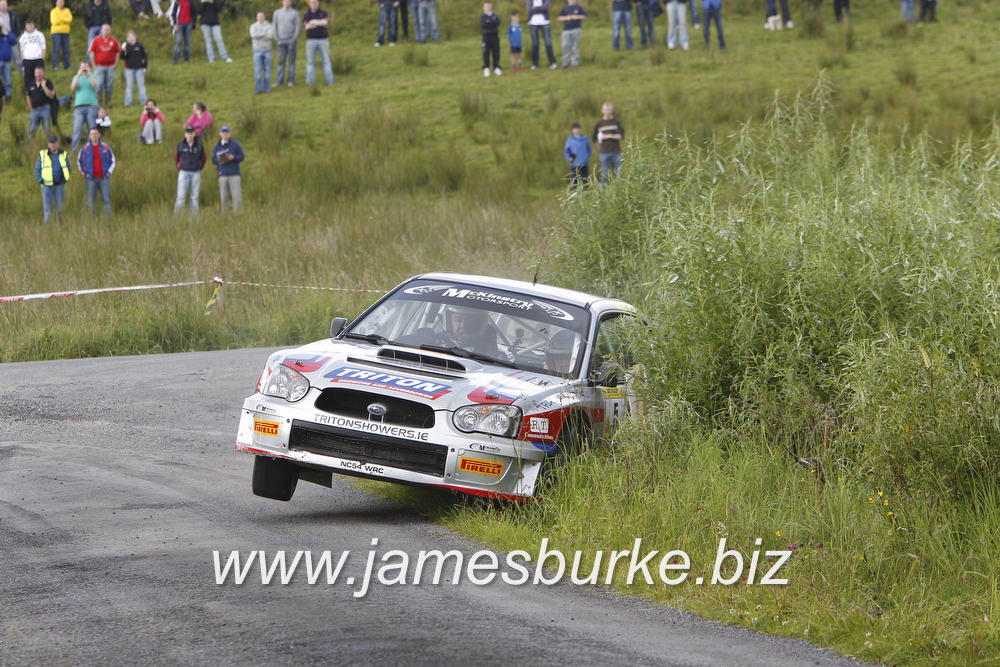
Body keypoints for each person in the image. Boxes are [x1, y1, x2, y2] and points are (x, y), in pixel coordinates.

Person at [77, 126, 114, 219]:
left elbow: (112, 160)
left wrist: (109, 172)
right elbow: (79, 162)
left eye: (96, 134)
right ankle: (91, 222)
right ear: (89, 136)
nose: (94, 136)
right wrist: (85, 173)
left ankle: (108, 222)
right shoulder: (85, 149)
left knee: (106, 201)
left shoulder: (105, 147)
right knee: (90, 202)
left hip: (104, 178)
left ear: (99, 135)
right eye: (92, 134)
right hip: (91, 179)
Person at [36, 135, 71, 224]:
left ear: (58, 143)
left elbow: (68, 168)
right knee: (47, 209)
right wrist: (40, 180)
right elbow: (37, 169)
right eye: (51, 143)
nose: (53, 145)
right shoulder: (43, 155)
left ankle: (61, 227)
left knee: (60, 209)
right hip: (47, 186)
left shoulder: (63, 154)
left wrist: (65, 180)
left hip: (59, 185)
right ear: (48, 144)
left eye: (54, 143)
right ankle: (47, 228)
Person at [211, 125, 245, 214]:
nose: (225, 134)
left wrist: (233, 157)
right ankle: (225, 217)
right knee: (223, 196)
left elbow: (242, 157)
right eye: (223, 132)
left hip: (234, 174)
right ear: (220, 134)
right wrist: (220, 159)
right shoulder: (217, 146)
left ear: (229, 134)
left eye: (227, 133)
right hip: (222, 174)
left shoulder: (235, 144)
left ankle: (238, 215)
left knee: (236, 196)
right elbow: (213, 160)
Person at [174, 125, 206, 214]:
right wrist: (180, 166)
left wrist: (199, 166)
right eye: (188, 133)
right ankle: (178, 218)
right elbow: (176, 157)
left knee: (194, 197)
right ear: (185, 134)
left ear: (194, 134)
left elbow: (203, 158)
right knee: (181, 196)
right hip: (183, 172)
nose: (189, 135)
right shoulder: (180, 145)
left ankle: (194, 219)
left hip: (196, 173)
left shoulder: (199, 146)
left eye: (191, 133)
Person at [70, 60, 99, 152]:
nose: (84, 69)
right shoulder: (76, 77)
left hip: (91, 107)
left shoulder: (94, 76)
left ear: (89, 67)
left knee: (92, 130)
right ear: (80, 68)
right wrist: (78, 75)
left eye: (86, 67)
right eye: (82, 67)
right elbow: (73, 88)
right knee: (77, 130)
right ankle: (73, 151)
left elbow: (96, 87)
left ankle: (91, 150)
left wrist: (90, 75)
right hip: (79, 108)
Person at [89, 24, 120, 108]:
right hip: (99, 67)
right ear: (101, 31)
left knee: (109, 84)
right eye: (104, 29)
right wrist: (94, 65)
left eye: (107, 29)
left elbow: (117, 53)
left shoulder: (114, 41)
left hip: (110, 67)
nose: (106, 31)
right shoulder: (96, 40)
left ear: (110, 30)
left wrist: (116, 64)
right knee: (99, 84)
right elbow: (92, 53)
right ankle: (99, 103)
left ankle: (108, 102)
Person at [303, 0, 334, 85]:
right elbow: (307, 27)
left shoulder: (323, 13)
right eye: (312, 2)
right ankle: (310, 82)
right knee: (310, 62)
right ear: (309, 4)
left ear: (318, 3)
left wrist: (312, 22)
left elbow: (325, 22)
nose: (314, 4)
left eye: (315, 2)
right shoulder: (306, 15)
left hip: (323, 40)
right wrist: (319, 23)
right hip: (310, 41)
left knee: (326, 61)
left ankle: (330, 81)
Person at [592, 102, 623, 184]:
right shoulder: (599, 124)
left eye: (609, 110)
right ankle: (604, 193)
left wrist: (609, 136)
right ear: (602, 111)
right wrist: (600, 149)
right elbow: (594, 138)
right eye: (606, 110)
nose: (607, 112)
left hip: (616, 152)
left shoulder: (617, 122)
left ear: (612, 111)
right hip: (604, 153)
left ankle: (618, 191)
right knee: (605, 174)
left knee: (618, 174)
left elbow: (620, 136)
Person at [272, 0, 300, 86]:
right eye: (285, 1)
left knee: (292, 62)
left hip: (291, 40)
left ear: (290, 2)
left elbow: (297, 27)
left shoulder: (295, 13)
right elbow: (274, 26)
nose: (287, 2)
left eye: (288, 1)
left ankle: (290, 80)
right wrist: (276, 38)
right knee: (281, 62)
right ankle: (279, 81)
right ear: (282, 2)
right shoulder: (277, 13)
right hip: (280, 41)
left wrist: (294, 38)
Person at [26, 66, 54, 139]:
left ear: (43, 73)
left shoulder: (48, 83)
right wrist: (31, 108)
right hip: (34, 109)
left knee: (47, 128)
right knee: (32, 129)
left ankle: (49, 145)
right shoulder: (30, 84)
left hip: (45, 108)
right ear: (35, 74)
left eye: (40, 73)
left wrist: (44, 86)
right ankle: (28, 147)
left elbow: (51, 96)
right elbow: (28, 96)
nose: (38, 75)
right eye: (37, 73)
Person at [527, 0, 557, 70]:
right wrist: (540, 8)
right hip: (533, 23)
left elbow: (546, 7)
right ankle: (535, 64)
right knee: (535, 44)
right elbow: (529, 9)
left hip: (545, 22)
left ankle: (552, 62)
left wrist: (535, 8)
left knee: (548, 43)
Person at [250, 12, 274, 94]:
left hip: (267, 51)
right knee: (258, 71)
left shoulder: (269, 26)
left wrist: (259, 35)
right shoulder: (253, 26)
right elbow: (253, 35)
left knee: (267, 71)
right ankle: (258, 89)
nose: (260, 18)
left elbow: (270, 36)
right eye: (259, 17)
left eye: (262, 16)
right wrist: (264, 34)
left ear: (265, 17)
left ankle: (266, 88)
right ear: (256, 18)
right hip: (257, 51)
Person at [122, 30, 148, 106]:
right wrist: (123, 51)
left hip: (139, 69)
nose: (131, 38)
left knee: (141, 85)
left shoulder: (140, 46)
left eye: (132, 36)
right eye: (129, 37)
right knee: (129, 86)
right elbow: (123, 57)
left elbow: (145, 56)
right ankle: (127, 101)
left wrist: (145, 66)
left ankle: (143, 100)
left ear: (135, 37)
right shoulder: (126, 46)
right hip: (128, 69)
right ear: (127, 38)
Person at [558, 0, 586, 68]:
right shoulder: (565, 8)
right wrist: (567, 18)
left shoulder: (579, 7)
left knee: (575, 47)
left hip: (576, 29)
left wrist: (575, 17)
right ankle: (565, 63)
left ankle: (574, 63)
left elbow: (584, 16)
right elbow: (559, 17)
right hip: (566, 30)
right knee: (565, 47)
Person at [18, 19, 45, 88]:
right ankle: (29, 93)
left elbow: (43, 48)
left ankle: (41, 91)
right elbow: (22, 50)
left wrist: (42, 59)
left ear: (34, 25)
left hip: (38, 59)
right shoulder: (22, 37)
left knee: (39, 76)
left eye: (31, 26)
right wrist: (23, 61)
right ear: (26, 26)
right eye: (28, 26)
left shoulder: (40, 34)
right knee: (28, 79)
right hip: (27, 60)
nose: (30, 27)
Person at [564, 122, 590, 189]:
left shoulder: (585, 139)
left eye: (577, 129)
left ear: (580, 129)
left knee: (585, 179)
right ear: (572, 130)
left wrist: (586, 158)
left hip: (584, 164)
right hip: (574, 164)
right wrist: (569, 158)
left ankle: (586, 193)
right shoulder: (570, 140)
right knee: (574, 180)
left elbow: (588, 150)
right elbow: (567, 151)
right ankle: (573, 194)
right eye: (575, 129)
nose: (576, 130)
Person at [50, 0, 73, 71]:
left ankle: (67, 66)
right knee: (56, 49)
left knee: (66, 50)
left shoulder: (67, 10)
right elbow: (54, 21)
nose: (61, 3)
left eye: (62, 2)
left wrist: (60, 19)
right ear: (56, 3)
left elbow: (70, 19)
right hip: (56, 32)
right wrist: (64, 19)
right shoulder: (53, 11)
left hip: (66, 32)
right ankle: (55, 66)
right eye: (59, 2)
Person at [480, 1, 501, 77]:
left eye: (489, 6)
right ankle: (486, 68)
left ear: (491, 6)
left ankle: (496, 67)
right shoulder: (482, 16)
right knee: (486, 52)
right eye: (486, 6)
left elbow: (498, 22)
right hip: (486, 36)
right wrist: (491, 22)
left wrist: (489, 22)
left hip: (495, 36)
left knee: (496, 51)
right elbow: (483, 24)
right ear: (484, 7)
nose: (488, 7)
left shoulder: (495, 15)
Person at [0, 17, 15, 104]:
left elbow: (13, 42)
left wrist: (7, 34)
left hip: (7, 61)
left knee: (8, 80)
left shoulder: (7, 32)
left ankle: (8, 97)